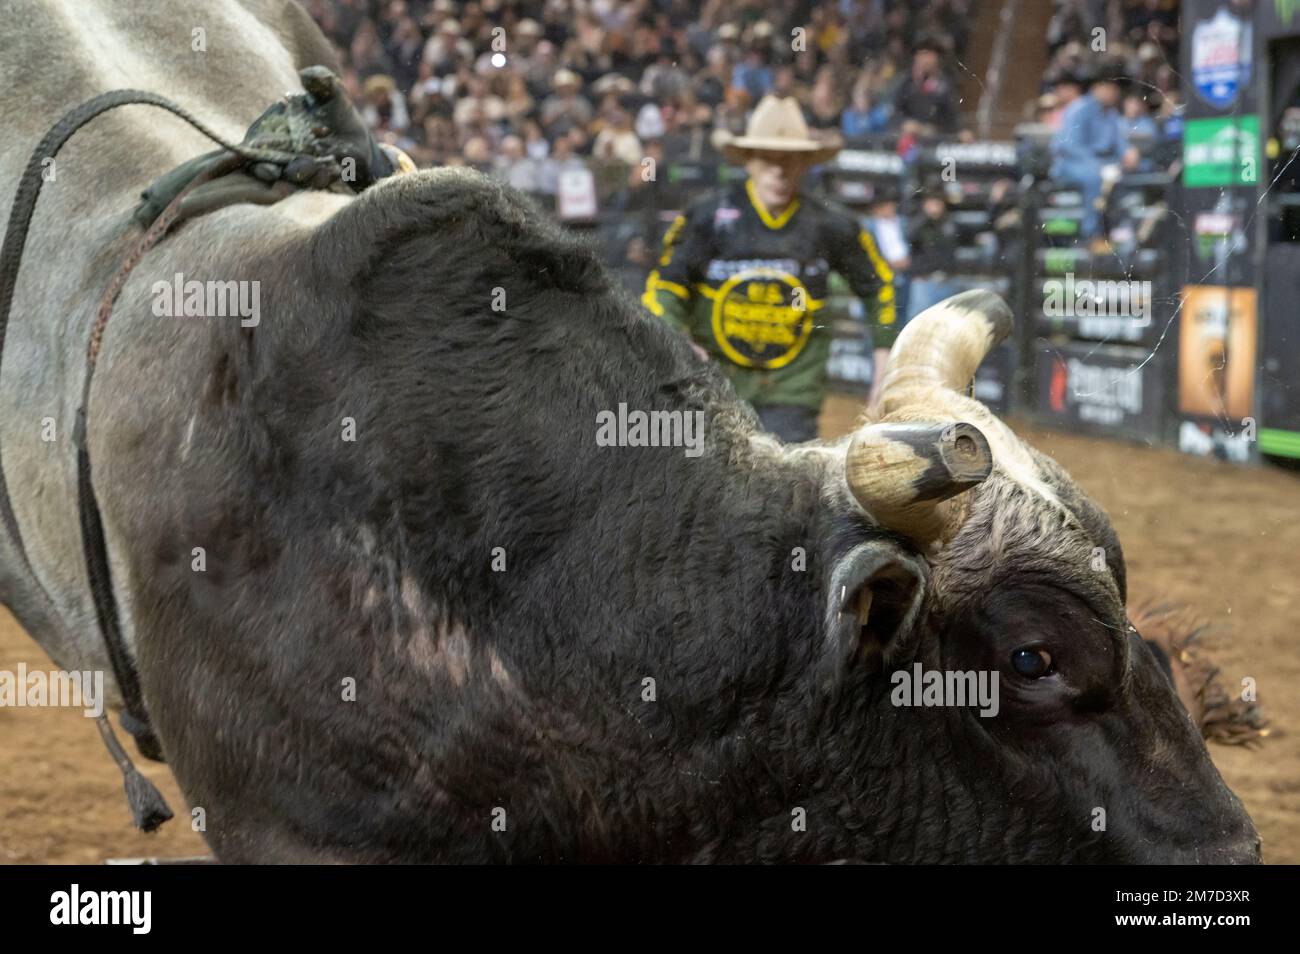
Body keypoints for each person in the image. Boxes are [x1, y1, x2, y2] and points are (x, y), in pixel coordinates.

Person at [642, 96, 897, 443]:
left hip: (793, 394)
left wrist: (883, 370)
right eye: (767, 158)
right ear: (748, 160)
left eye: (789, 159)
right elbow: (665, 287)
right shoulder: (706, 217)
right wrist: (678, 342)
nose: (779, 170)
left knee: (786, 475)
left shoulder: (832, 224)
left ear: (805, 163)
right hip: (715, 384)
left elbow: (878, 287)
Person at [1050, 61, 1131, 238]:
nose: (1114, 93)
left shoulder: (1112, 113)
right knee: (1095, 176)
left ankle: (1118, 232)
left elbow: (1120, 142)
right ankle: (1091, 234)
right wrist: (1100, 166)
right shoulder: (1079, 108)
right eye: (1110, 88)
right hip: (1069, 163)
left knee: (1121, 174)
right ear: (1097, 88)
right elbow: (1070, 146)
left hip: (1100, 163)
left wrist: (1128, 152)